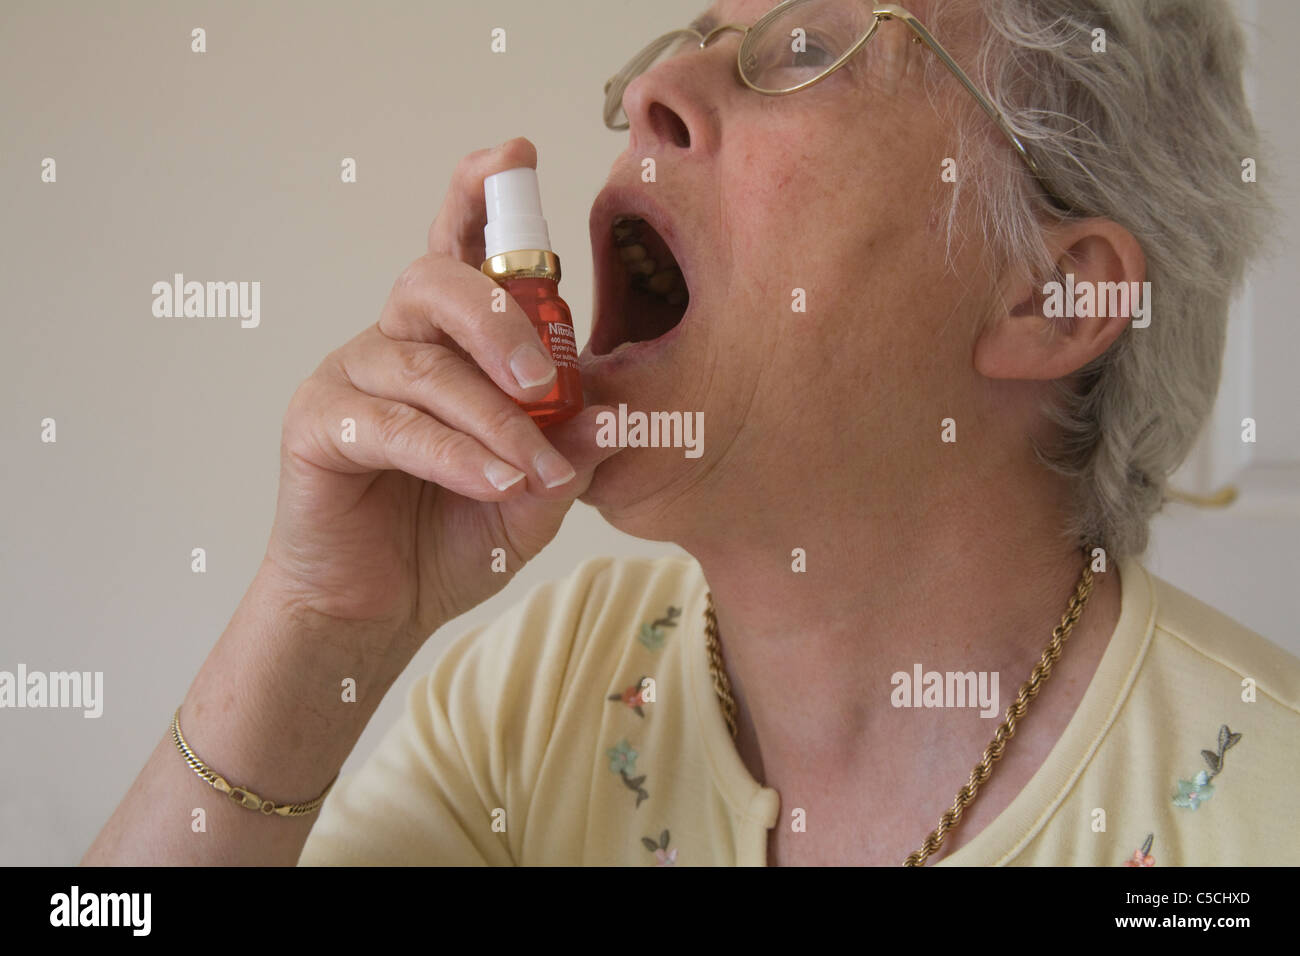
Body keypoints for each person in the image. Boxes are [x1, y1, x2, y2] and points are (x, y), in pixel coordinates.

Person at [84, 0, 1298, 867]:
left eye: (810, 49)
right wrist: (313, 631)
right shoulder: (535, 701)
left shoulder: (1262, 810)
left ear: (1049, 295)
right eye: (691, 41)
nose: (656, 92)